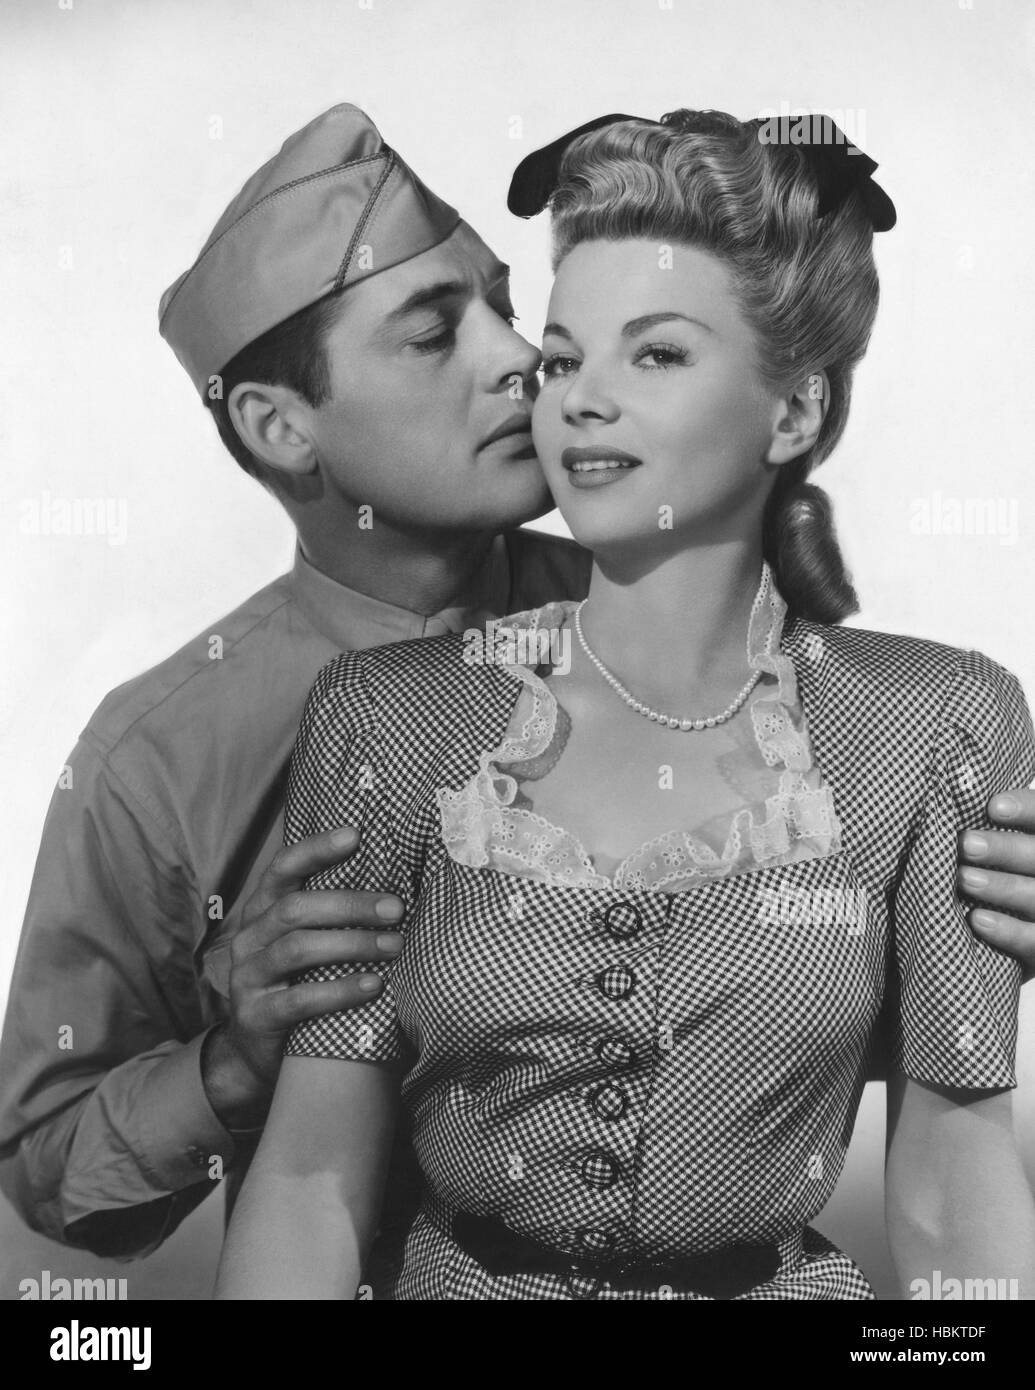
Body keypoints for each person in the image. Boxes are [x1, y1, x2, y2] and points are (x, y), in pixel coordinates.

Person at [0, 104, 1031, 1279]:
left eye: (509, 314)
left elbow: (832, 1057)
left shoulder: (836, 679)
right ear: (282, 427)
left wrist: (973, 938)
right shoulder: (181, 749)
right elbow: (65, 1170)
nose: (523, 370)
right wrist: (231, 1062)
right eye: (437, 334)